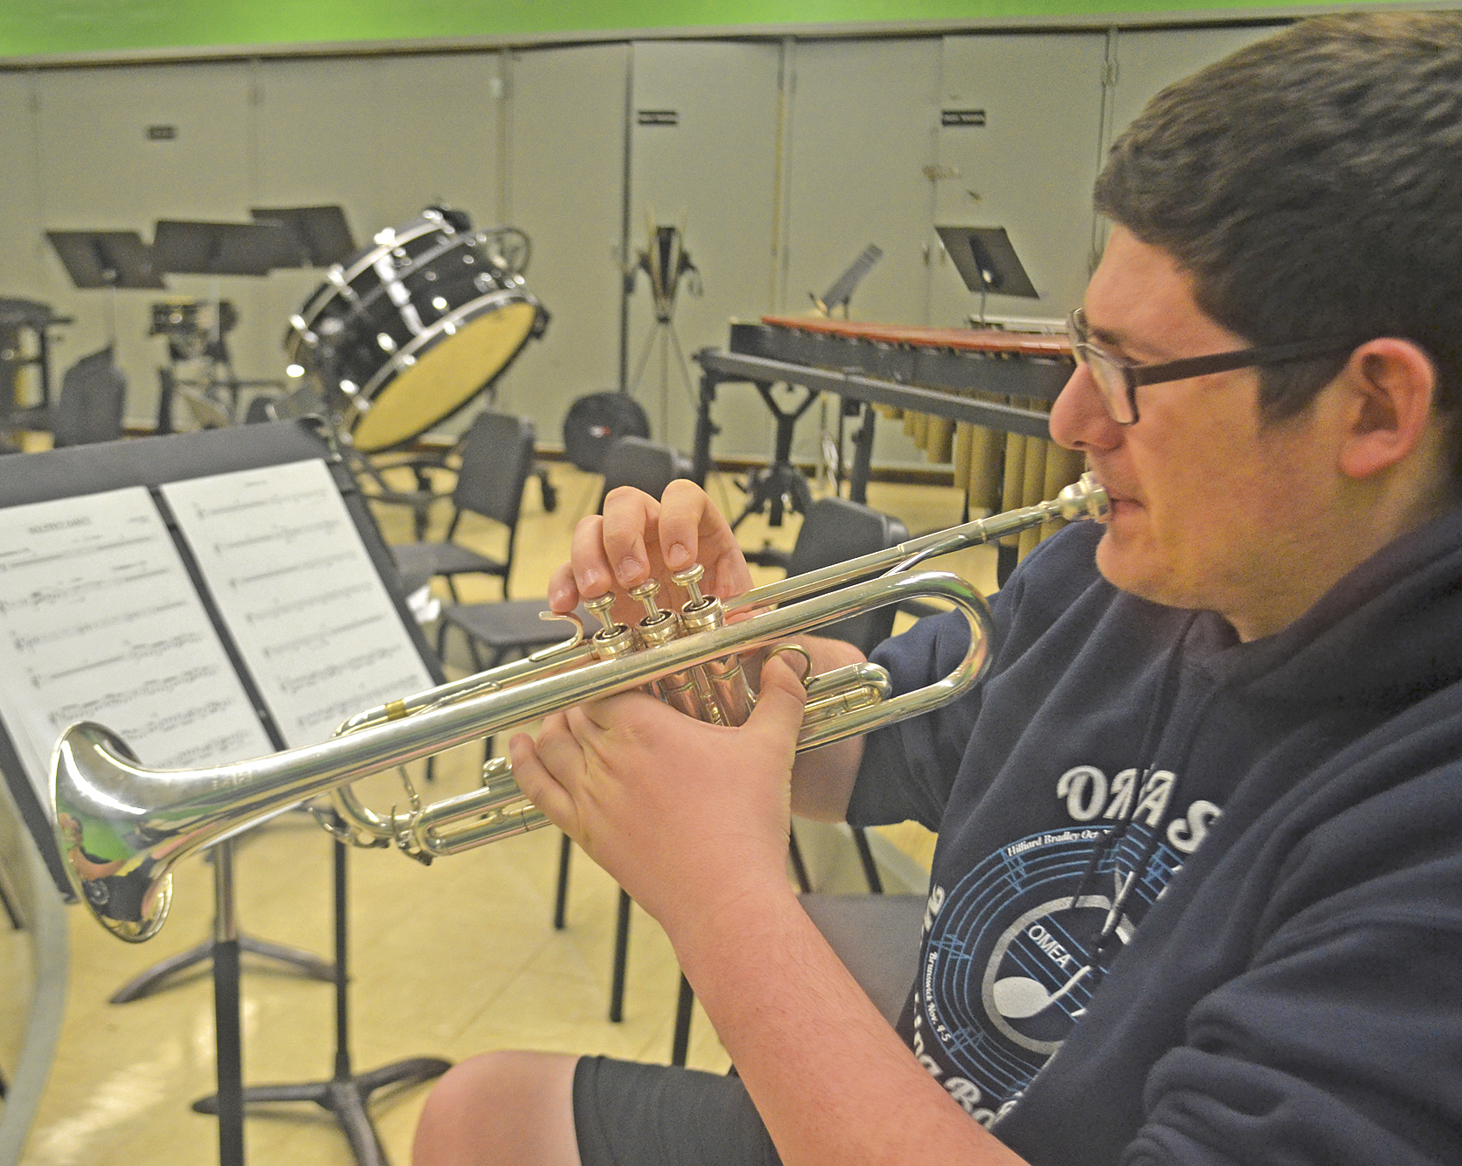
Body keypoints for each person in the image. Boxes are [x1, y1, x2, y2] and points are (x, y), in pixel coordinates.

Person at [412, 12, 1462, 1165]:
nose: (1068, 423)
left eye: (1127, 375)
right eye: (1077, 350)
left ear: (1373, 410)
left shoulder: (1425, 821)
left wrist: (721, 895)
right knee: (480, 1114)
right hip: (926, 1101)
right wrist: (711, 664)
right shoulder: (1119, 580)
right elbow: (880, 738)